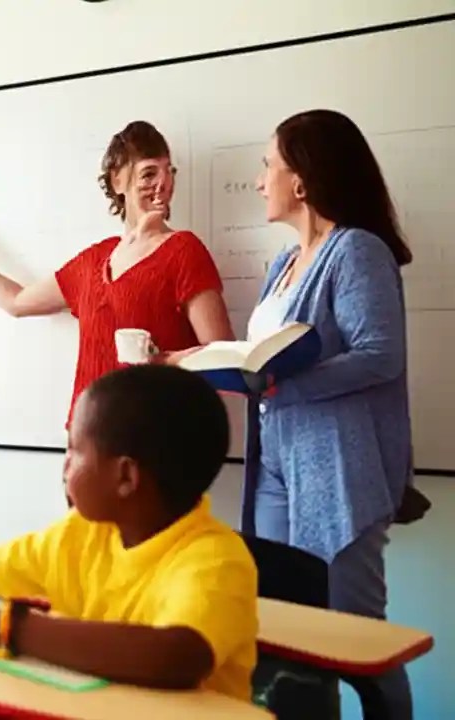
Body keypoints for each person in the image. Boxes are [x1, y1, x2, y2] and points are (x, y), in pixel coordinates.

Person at [0, 364, 258, 702]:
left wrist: (7, 628)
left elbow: (177, 656)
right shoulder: (80, 533)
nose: (65, 464)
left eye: (74, 449)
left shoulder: (216, 559)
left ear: (125, 478)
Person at [249, 109, 414, 719]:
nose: (260, 179)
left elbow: (381, 355)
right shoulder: (280, 264)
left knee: (356, 636)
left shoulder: (357, 251)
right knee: (283, 627)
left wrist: (280, 386)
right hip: (275, 465)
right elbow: (263, 355)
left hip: (338, 471)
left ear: (302, 179)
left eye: (269, 164)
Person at [0, 121, 233, 426]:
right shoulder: (93, 260)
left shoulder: (183, 250)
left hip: (155, 443)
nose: (164, 184)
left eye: (169, 171)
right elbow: (17, 302)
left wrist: (163, 361)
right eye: (149, 173)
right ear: (118, 180)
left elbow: (224, 359)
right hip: (88, 441)